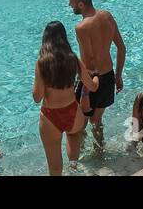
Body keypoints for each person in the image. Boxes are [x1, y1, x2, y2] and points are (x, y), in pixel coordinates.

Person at [32, 20, 99, 176]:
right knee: (74, 134)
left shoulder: (42, 63)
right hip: (72, 112)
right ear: (64, 38)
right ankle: (73, 167)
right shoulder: (72, 59)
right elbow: (92, 86)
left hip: (50, 116)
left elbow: (37, 97)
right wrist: (96, 79)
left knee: (55, 169)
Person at [69, 0, 125, 148]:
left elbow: (88, 62)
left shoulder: (81, 28)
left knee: (79, 123)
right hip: (108, 77)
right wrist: (118, 76)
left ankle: (76, 159)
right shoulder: (107, 16)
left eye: (71, 2)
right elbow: (121, 48)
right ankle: (100, 151)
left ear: (81, 4)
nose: (69, 5)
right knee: (97, 120)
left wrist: (82, 88)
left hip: (90, 80)